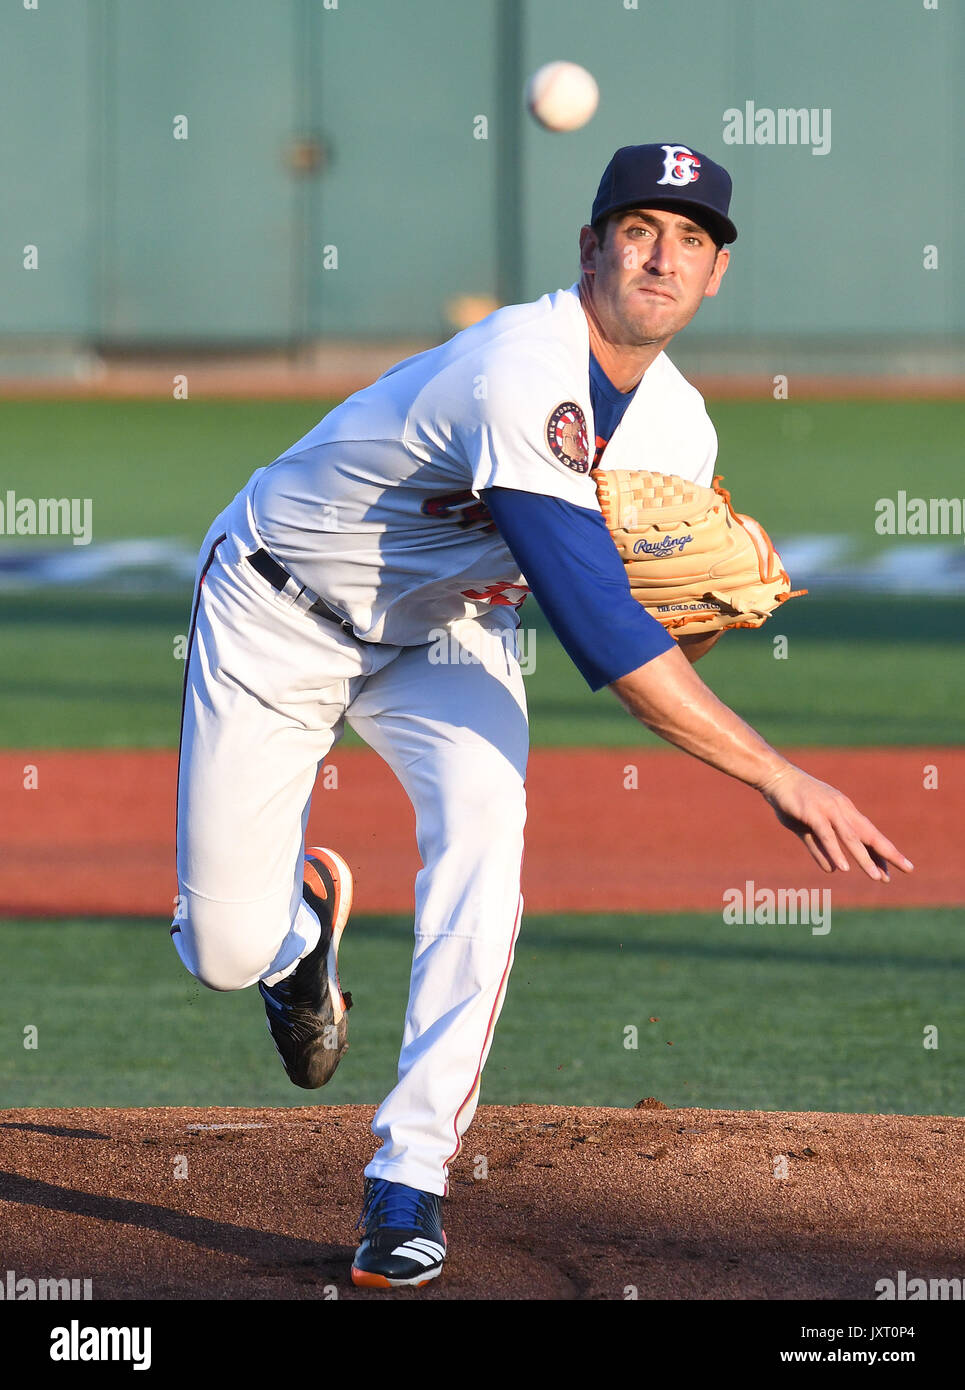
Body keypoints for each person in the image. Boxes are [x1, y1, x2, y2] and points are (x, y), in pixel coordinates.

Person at [171, 143, 912, 1289]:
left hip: (443, 628)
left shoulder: (677, 433)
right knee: (220, 950)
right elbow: (609, 646)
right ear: (590, 247)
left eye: (692, 239)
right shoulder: (522, 365)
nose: (663, 256)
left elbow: (660, 635)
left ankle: (408, 1179)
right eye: (638, 229)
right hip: (279, 605)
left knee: (484, 837)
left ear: (715, 274)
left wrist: (715, 607)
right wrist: (778, 774)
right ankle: (294, 943)